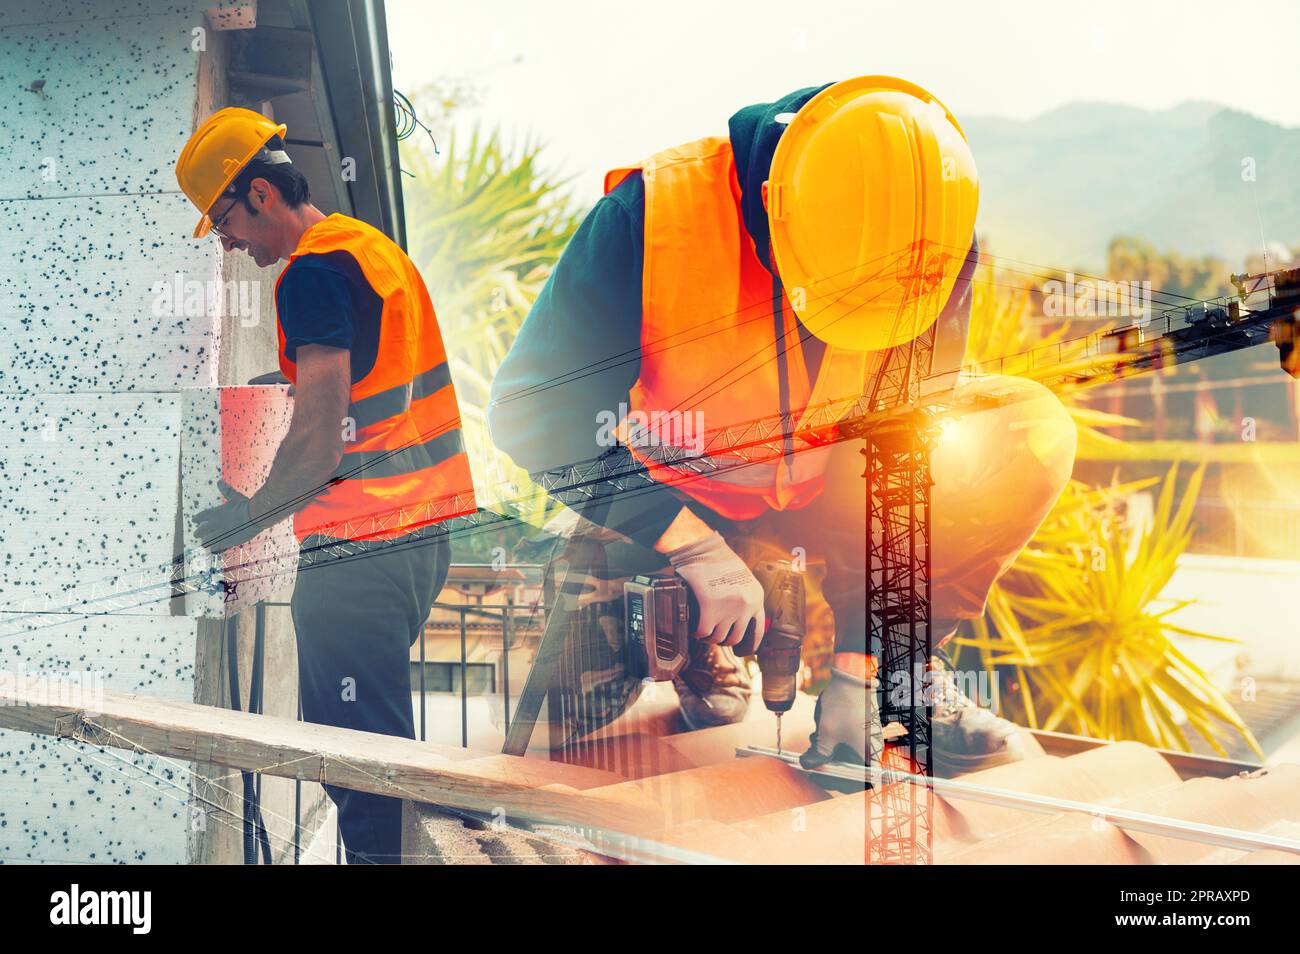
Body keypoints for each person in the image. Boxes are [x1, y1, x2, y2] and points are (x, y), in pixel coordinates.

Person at [487, 78, 1076, 773]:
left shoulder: (935, 244)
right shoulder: (652, 216)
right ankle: (700, 630)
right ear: (772, 204)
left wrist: (862, 665)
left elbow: (900, 455)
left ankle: (901, 678)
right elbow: (531, 411)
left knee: (1026, 430)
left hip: (828, 491)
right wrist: (694, 549)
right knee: (544, 698)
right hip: (673, 494)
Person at [176, 108, 476, 860]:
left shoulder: (310, 275)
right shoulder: (369, 249)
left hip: (359, 549)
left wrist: (247, 518)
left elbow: (315, 443)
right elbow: (365, 395)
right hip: (418, 536)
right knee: (380, 755)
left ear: (259, 194)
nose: (231, 245)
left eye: (224, 224)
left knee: (358, 766)